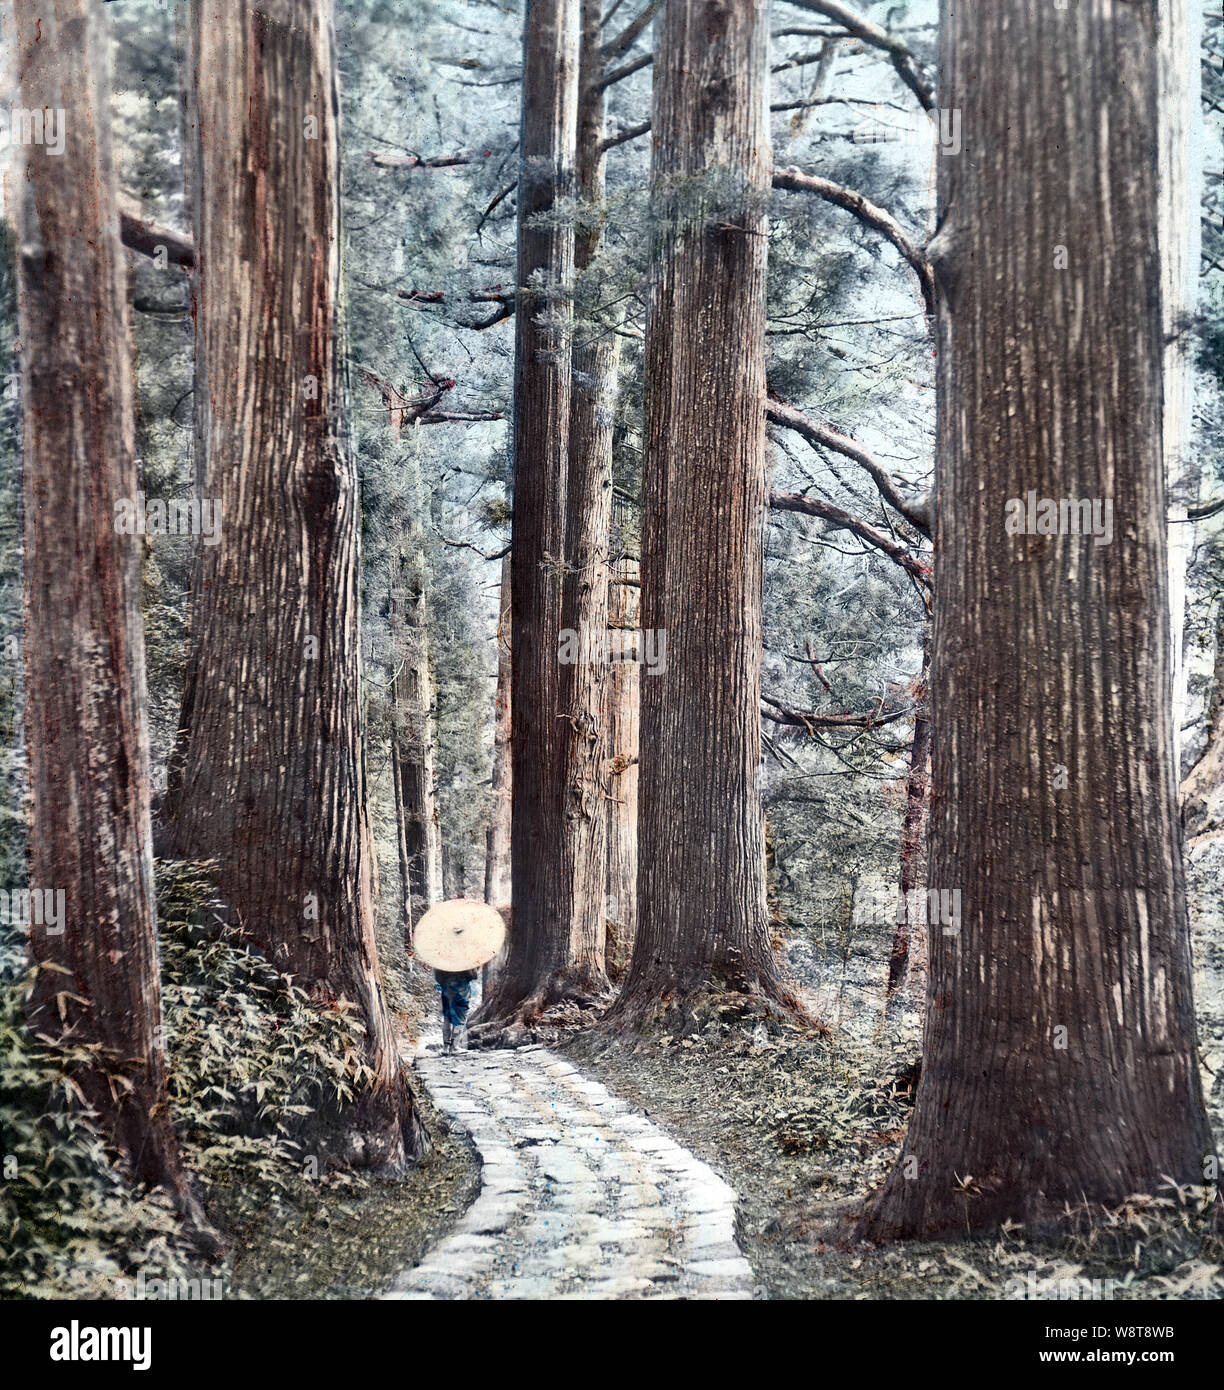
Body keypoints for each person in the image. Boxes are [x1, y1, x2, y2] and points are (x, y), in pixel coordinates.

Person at [434, 967, 478, 1052]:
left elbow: (437, 976)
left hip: (446, 989)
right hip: (461, 989)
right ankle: (454, 1047)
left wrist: (445, 982)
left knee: (447, 1018)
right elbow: (473, 975)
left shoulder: (441, 957)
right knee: (460, 1019)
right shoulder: (465, 957)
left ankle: (445, 1048)